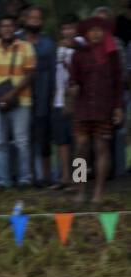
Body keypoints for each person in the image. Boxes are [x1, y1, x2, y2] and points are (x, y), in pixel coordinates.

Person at [0, 15, 37, 188]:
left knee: (22, 141)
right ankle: (3, 180)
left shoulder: (26, 47)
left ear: (15, 28)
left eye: (10, 26)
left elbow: (31, 73)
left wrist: (13, 93)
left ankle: (25, 178)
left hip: (21, 100)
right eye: (3, 26)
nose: (7, 29)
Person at [69, 15, 125, 202]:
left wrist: (118, 107)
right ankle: (80, 189)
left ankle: (99, 191)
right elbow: (73, 79)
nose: (95, 33)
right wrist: (73, 87)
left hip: (104, 107)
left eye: (99, 30)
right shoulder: (78, 54)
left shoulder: (112, 54)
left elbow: (118, 83)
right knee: (81, 148)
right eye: (91, 30)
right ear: (86, 33)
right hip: (83, 108)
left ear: (104, 32)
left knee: (102, 147)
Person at [22, 6, 58, 186]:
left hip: (43, 95)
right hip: (21, 96)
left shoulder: (48, 44)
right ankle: (28, 175)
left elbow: (53, 72)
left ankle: (46, 176)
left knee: (43, 137)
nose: (35, 21)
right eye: (32, 18)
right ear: (25, 20)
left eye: (38, 18)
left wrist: (53, 95)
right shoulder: (18, 41)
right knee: (24, 138)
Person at [52, 14, 81, 189]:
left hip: (78, 101)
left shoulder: (82, 47)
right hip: (59, 100)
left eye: (71, 27)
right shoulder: (59, 49)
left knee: (79, 142)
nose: (67, 31)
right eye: (65, 28)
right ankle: (64, 177)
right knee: (62, 142)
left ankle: (80, 179)